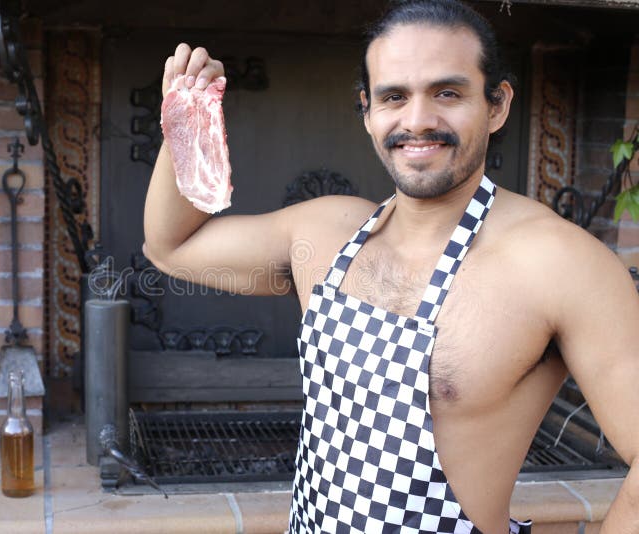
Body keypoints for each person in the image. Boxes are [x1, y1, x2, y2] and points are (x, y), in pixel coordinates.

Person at [143, 0, 639, 532]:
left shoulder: (561, 264)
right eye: (394, 97)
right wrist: (190, 120)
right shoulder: (321, 234)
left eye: (447, 93)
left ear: (497, 106)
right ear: (367, 111)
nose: (418, 120)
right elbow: (171, 247)